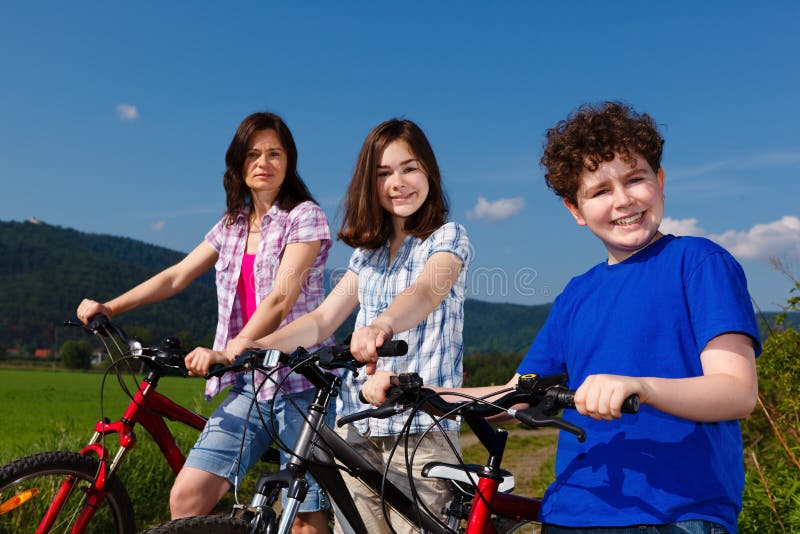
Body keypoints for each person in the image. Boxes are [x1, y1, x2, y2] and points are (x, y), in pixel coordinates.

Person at [361, 102, 760, 533]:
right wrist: (419, 392)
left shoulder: (699, 263)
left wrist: (640, 387)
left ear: (659, 181)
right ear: (576, 209)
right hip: (570, 512)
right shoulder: (577, 294)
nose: (623, 200)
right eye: (600, 191)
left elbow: (736, 391)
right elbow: (519, 396)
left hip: (672, 513)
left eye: (635, 179)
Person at [76, 112, 334, 533]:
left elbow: (283, 297)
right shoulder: (232, 225)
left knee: (305, 517)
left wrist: (234, 347)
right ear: (239, 163)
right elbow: (176, 276)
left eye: (274, 153)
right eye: (253, 154)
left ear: (289, 162)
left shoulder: (304, 217)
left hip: (303, 384)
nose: (263, 162)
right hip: (250, 384)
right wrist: (111, 306)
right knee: (188, 498)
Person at [245, 118, 471, 533]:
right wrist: (255, 346)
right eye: (384, 173)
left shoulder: (447, 238)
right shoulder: (367, 255)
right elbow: (321, 320)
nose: (398, 183)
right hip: (357, 428)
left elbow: (425, 292)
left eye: (409, 168)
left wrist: (381, 325)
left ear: (429, 172)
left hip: (420, 431)